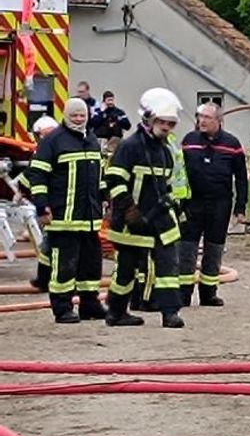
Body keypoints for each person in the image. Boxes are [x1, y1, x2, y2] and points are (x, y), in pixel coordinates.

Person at [103, 88, 187, 329]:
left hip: (160, 219)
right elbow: (114, 181)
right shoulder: (129, 147)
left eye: (171, 123)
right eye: (162, 122)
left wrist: (177, 209)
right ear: (148, 119)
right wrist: (129, 209)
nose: (166, 127)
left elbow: (167, 185)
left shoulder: (165, 151)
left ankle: (170, 313)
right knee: (126, 269)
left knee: (168, 266)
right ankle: (116, 312)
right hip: (133, 221)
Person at [19, 99, 106, 323]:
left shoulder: (91, 139)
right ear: (66, 116)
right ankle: (62, 307)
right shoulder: (53, 141)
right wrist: (42, 206)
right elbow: (38, 176)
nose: (78, 119)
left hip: (89, 218)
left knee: (91, 265)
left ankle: (90, 304)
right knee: (64, 267)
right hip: (63, 217)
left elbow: (99, 176)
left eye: (82, 115)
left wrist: (104, 199)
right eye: (74, 116)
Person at [178, 102, 247, 307]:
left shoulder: (232, 144)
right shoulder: (189, 141)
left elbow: (241, 178)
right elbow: (178, 172)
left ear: (219, 120)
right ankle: (183, 293)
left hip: (219, 204)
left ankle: (208, 293)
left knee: (214, 247)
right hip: (192, 203)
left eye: (207, 117)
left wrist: (240, 207)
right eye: (199, 116)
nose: (202, 121)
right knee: (187, 248)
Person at [19, 115, 61, 292]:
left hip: (55, 203)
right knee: (49, 242)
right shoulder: (50, 150)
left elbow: (31, 177)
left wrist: (22, 190)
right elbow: (30, 177)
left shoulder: (47, 152)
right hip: (49, 202)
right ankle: (44, 279)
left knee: (52, 243)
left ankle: (46, 280)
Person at [89, 90, 131, 156]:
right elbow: (93, 123)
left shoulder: (119, 112)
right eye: (108, 100)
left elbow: (128, 126)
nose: (110, 102)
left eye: (112, 100)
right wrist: (102, 112)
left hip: (115, 141)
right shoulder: (98, 112)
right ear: (104, 101)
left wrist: (118, 119)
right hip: (101, 140)